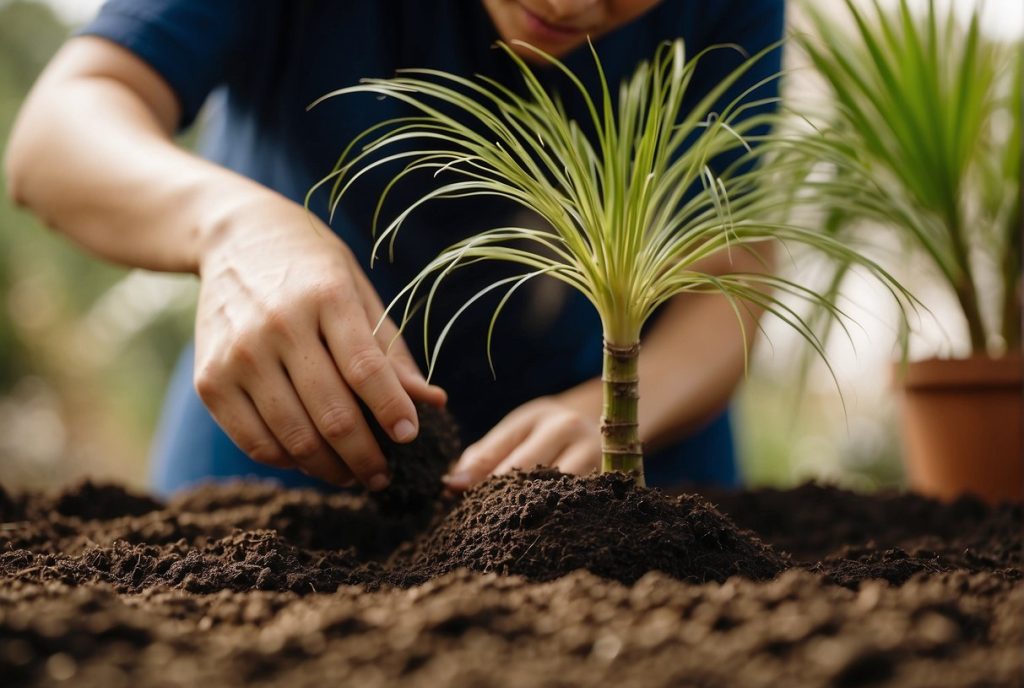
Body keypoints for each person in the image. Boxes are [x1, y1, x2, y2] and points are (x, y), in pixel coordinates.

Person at [4, 0, 784, 497]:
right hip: (287, 457)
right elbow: (58, 134)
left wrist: (606, 421)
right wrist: (232, 224)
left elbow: (731, 271)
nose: (572, 2)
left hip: (619, 486)